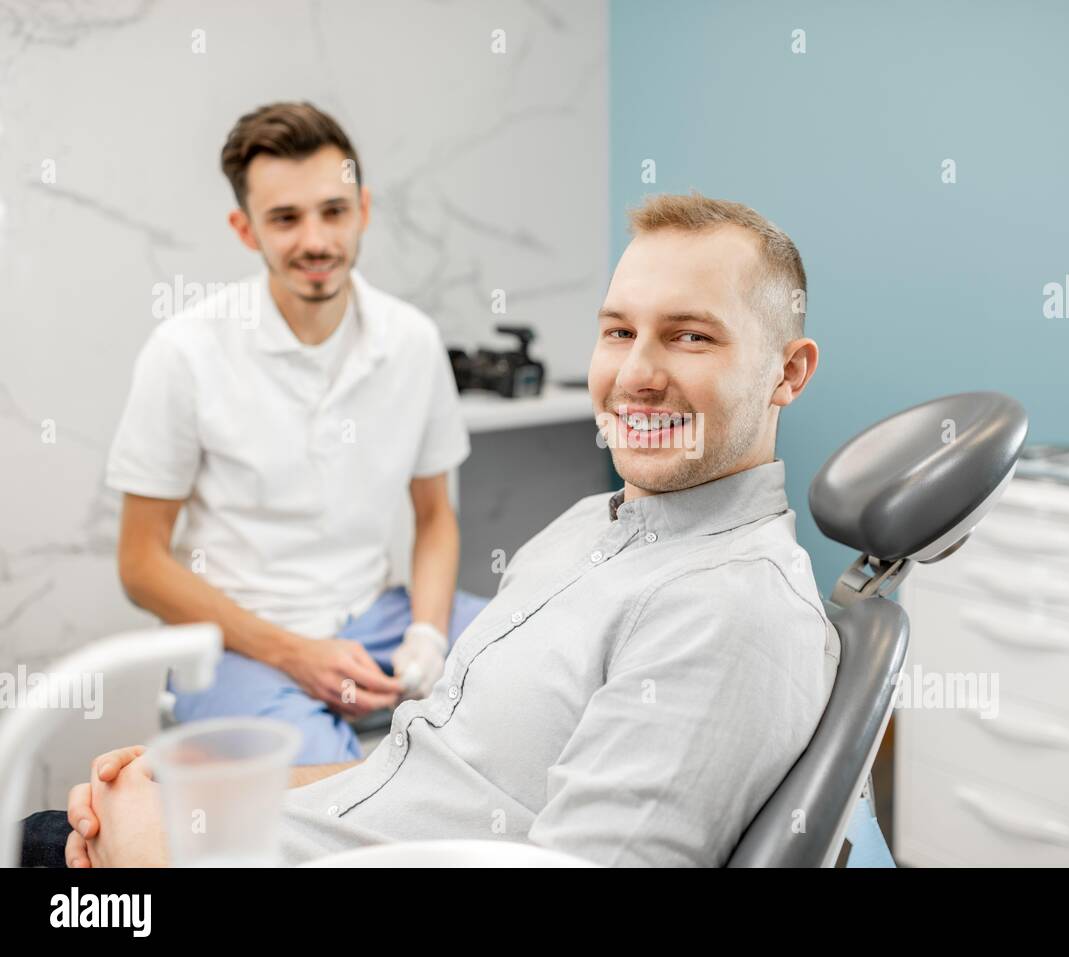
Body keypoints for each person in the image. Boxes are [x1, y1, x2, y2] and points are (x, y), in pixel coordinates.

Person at [32, 191, 844, 868]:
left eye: (690, 334)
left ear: (789, 372)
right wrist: (209, 798)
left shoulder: (728, 612)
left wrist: (165, 859)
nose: (634, 376)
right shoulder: (588, 528)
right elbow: (413, 767)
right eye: (618, 331)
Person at [105, 101, 485, 765]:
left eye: (333, 210)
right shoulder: (184, 352)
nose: (315, 240)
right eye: (285, 218)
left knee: (540, 659)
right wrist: (294, 653)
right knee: (333, 804)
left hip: (381, 617)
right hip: (236, 642)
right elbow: (141, 564)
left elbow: (434, 518)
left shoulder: (413, 342)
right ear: (245, 229)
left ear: (363, 209)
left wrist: (426, 631)